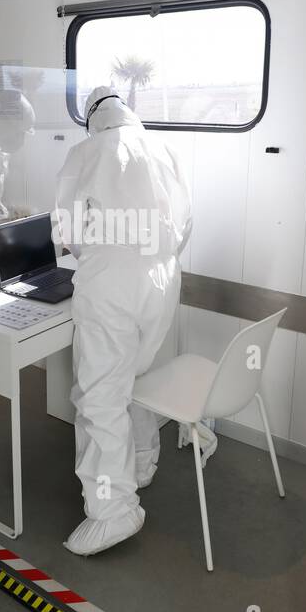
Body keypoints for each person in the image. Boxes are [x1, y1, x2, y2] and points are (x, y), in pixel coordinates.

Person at [53, 86, 193, 555]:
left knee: (100, 396)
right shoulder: (165, 148)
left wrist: (97, 252)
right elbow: (186, 219)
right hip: (163, 275)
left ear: (92, 117)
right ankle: (142, 460)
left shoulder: (85, 152)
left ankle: (113, 512)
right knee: (139, 372)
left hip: (110, 279)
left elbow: (67, 231)